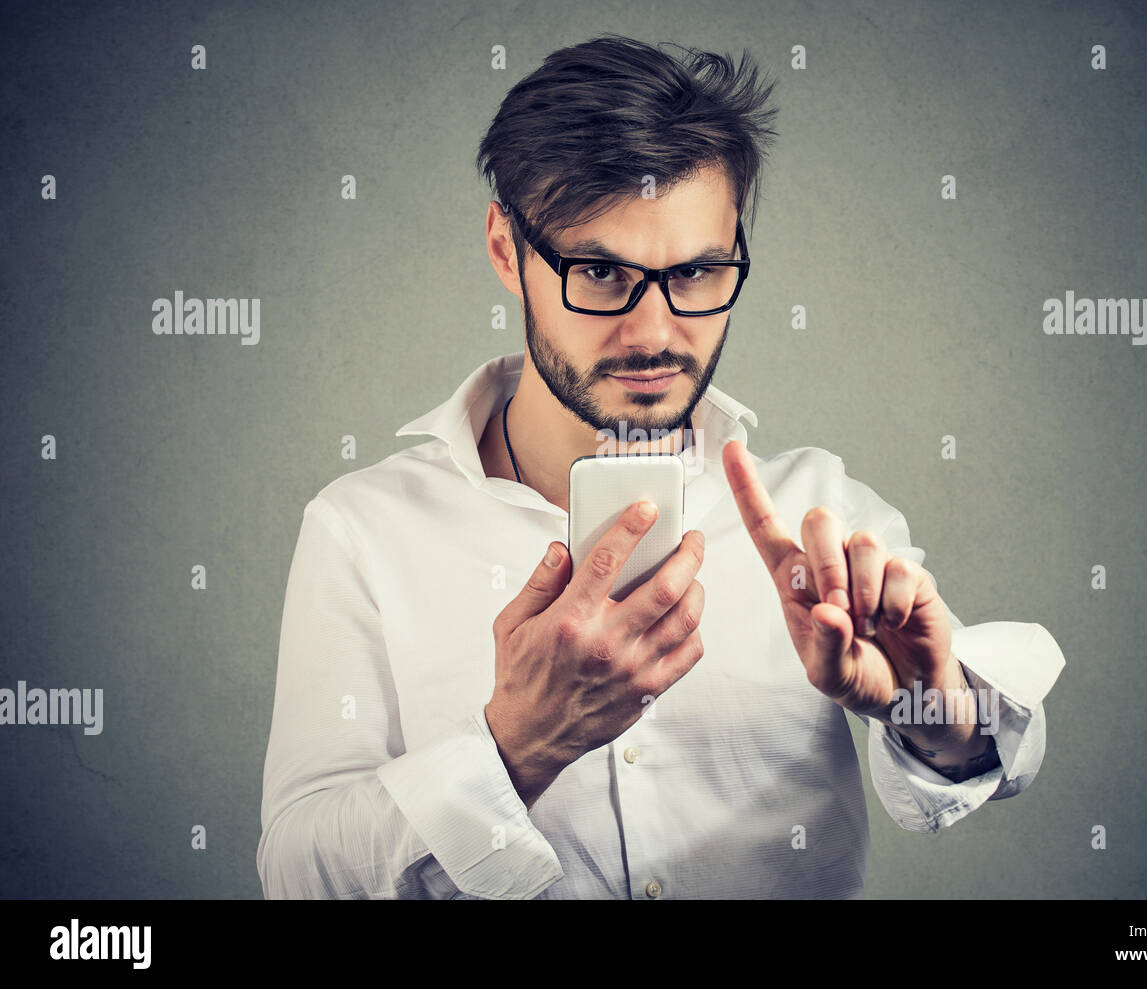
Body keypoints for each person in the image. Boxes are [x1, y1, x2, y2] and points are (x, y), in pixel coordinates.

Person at [256, 34, 1065, 899]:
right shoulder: (363, 531)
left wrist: (928, 708)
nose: (652, 332)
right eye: (600, 271)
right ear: (506, 249)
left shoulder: (820, 513)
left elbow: (984, 755)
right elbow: (300, 876)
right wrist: (513, 746)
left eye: (698, 272)